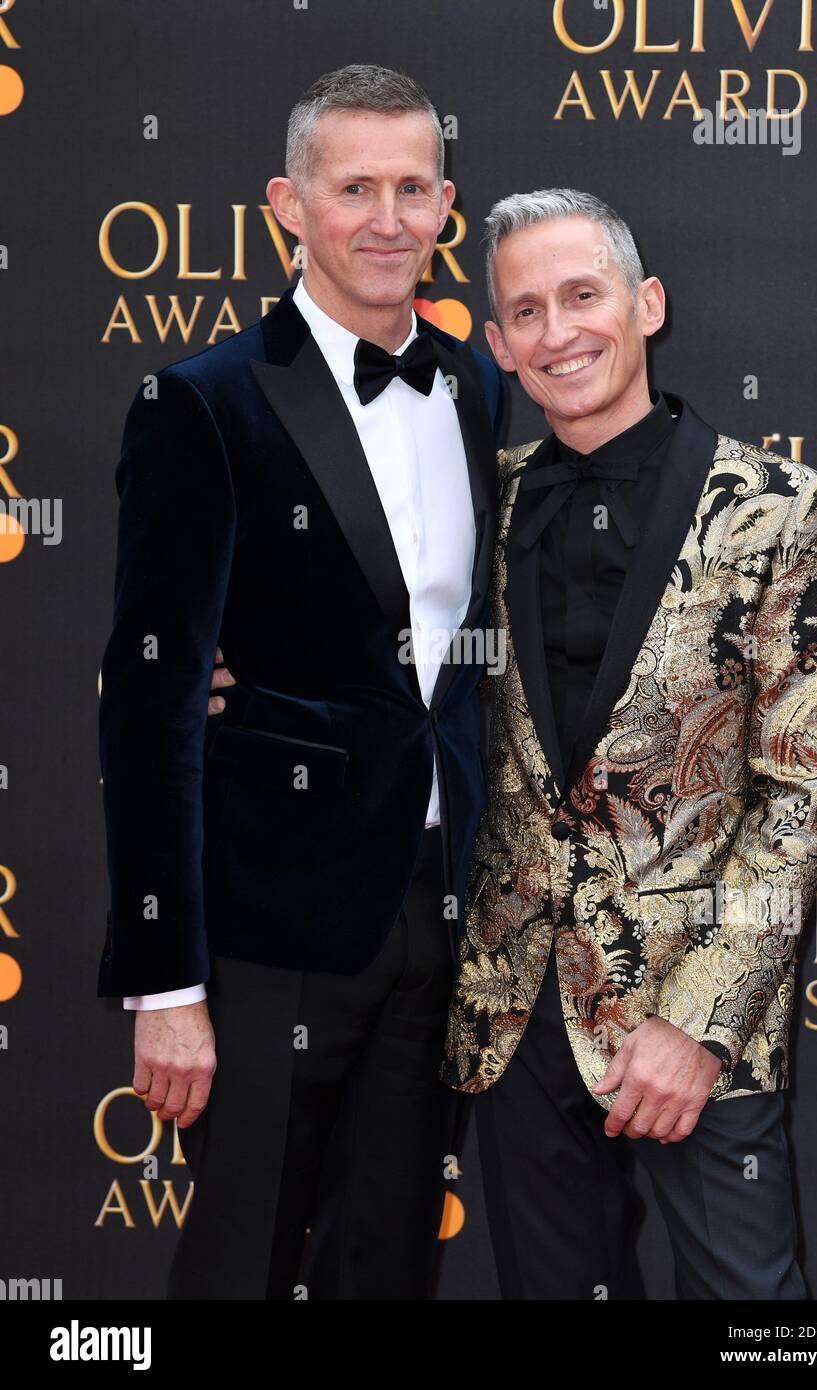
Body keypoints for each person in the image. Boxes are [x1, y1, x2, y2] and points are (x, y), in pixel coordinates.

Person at [97, 64, 506, 1300]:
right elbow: (151, 703)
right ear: (287, 203)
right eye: (352, 188)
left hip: (438, 909)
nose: (386, 218)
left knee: (386, 1263)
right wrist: (166, 982)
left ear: (446, 205)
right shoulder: (205, 403)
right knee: (239, 1261)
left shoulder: (478, 391)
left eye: (412, 187)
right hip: (269, 926)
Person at [440, 189, 817, 1300]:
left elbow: (796, 797)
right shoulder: (475, 501)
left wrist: (700, 1024)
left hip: (698, 1015)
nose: (557, 331)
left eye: (582, 295)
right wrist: (228, 679)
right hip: (516, 1009)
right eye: (523, 311)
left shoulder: (779, 508)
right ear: (496, 344)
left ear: (646, 304)